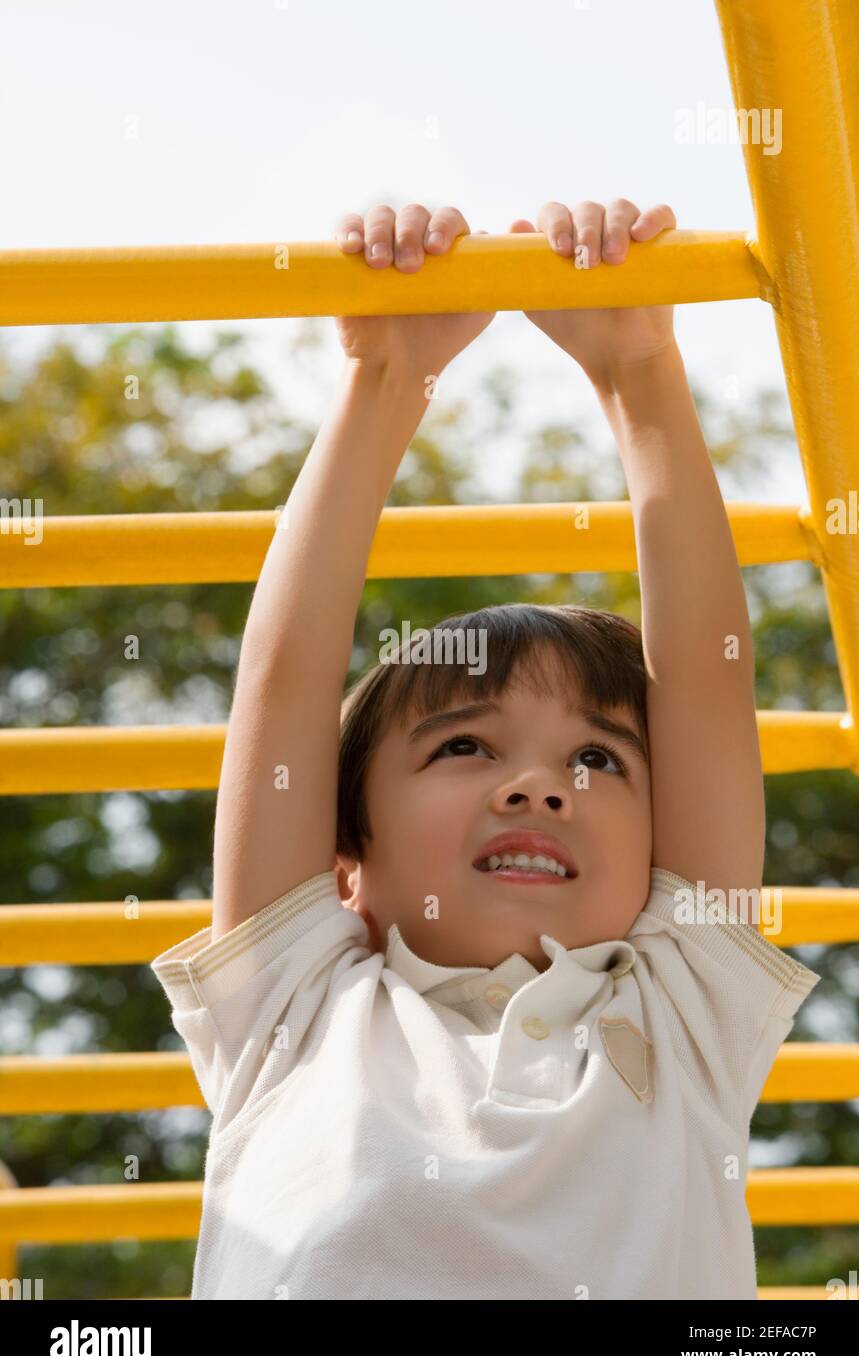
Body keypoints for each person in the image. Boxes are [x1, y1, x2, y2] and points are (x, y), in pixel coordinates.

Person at [151, 199, 820, 1300]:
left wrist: (640, 371)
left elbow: (706, 676)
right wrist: (383, 381)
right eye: (463, 743)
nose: (538, 787)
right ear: (342, 860)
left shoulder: (675, 1008)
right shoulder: (298, 1007)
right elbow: (281, 681)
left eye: (597, 760)